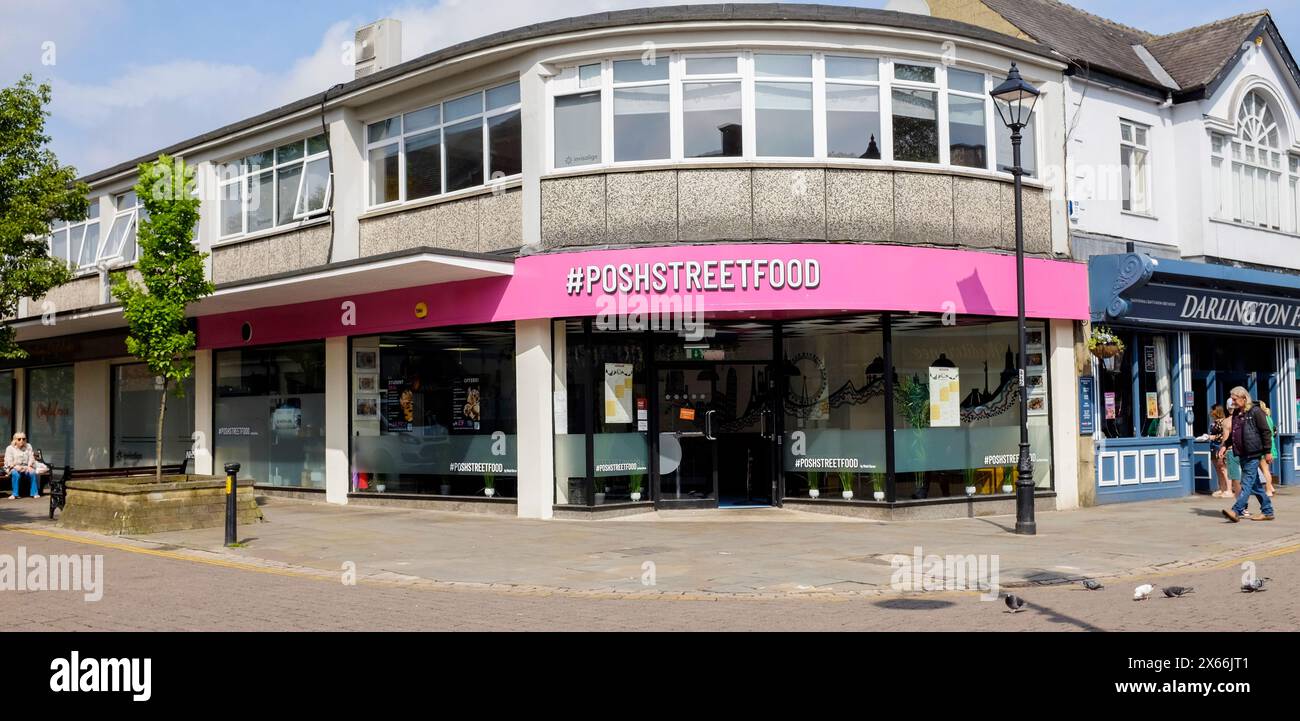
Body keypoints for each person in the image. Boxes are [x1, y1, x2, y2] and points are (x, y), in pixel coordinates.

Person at [1221, 387, 1275, 522]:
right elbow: (1234, 433)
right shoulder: (1237, 414)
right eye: (1231, 399)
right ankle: (1267, 511)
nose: (1232, 402)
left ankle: (1236, 510)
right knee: (1255, 485)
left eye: (1234, 399)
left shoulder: (1256, 411)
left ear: (1244, 398)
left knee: (1246, 483)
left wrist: (1268, 452)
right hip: (1242, 453)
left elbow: (1266, 432)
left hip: (1253, 453)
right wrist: (1225, 445)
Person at [1204, 405, 1232, 498]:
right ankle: (1222, 488)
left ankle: (1229, 490)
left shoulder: (1223, 421)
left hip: (1220, 446)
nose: (1210, 412)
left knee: (1224, 469)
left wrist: (1212, 437)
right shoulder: (1214, 422)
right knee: (1218, 470)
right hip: (1213, 447)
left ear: (1216, 411)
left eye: (1212, 410)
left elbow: (1225, 436)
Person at [3, 432, 40, 499]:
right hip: (13, 467)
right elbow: (9, 461)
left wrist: (29, 466)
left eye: (23, 439)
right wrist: (17, 467)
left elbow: (31, 458)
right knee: (15, 473)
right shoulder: (10, 448)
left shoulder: (28, 446)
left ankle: (34, 493)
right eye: (19, 439)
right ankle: (15, 494)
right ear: (15, 440)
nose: (22, 441)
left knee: (32, 472)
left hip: (26, 467)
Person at [1257, 400, 1279, 497]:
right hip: (1270, 445)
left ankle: (1268, 490)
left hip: (1264, 446)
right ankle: (1270, 487)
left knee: (1265, 469)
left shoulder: (1262, 418)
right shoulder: (1268, 417)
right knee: (1264, 468)